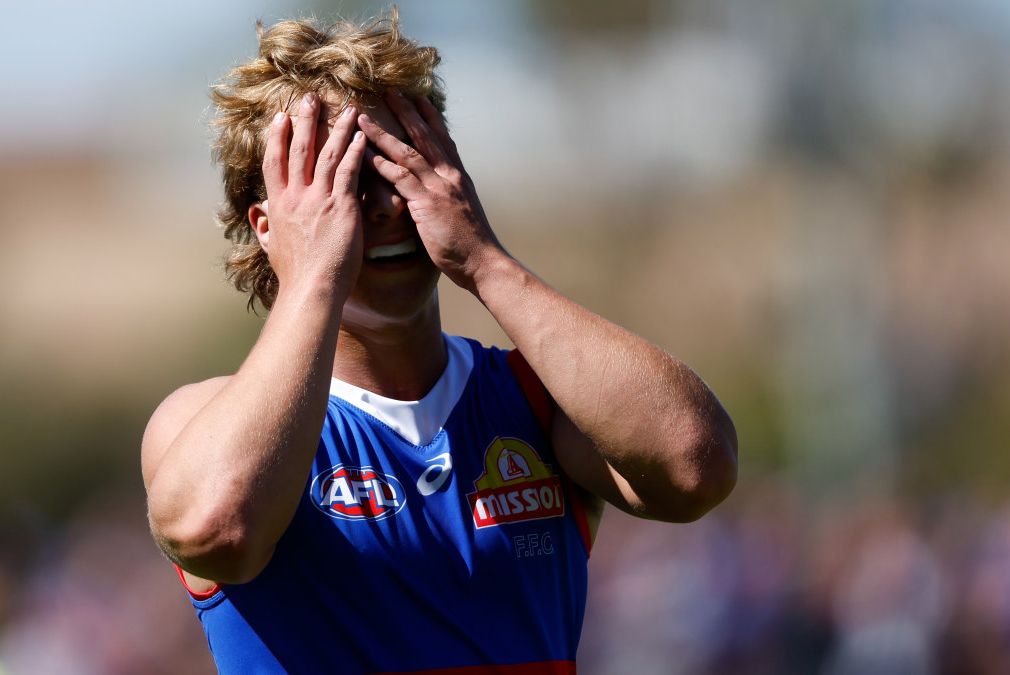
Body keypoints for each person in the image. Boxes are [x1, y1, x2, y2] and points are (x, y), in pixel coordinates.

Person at [142, 10, 738, 674]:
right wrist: (313, 273)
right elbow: (217, 527)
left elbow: (696, 465)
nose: (386, 206)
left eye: (401, 169)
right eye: (343, 181)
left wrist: (485, 261)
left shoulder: (534, 399)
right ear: (267, 224)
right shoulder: (200, 419)